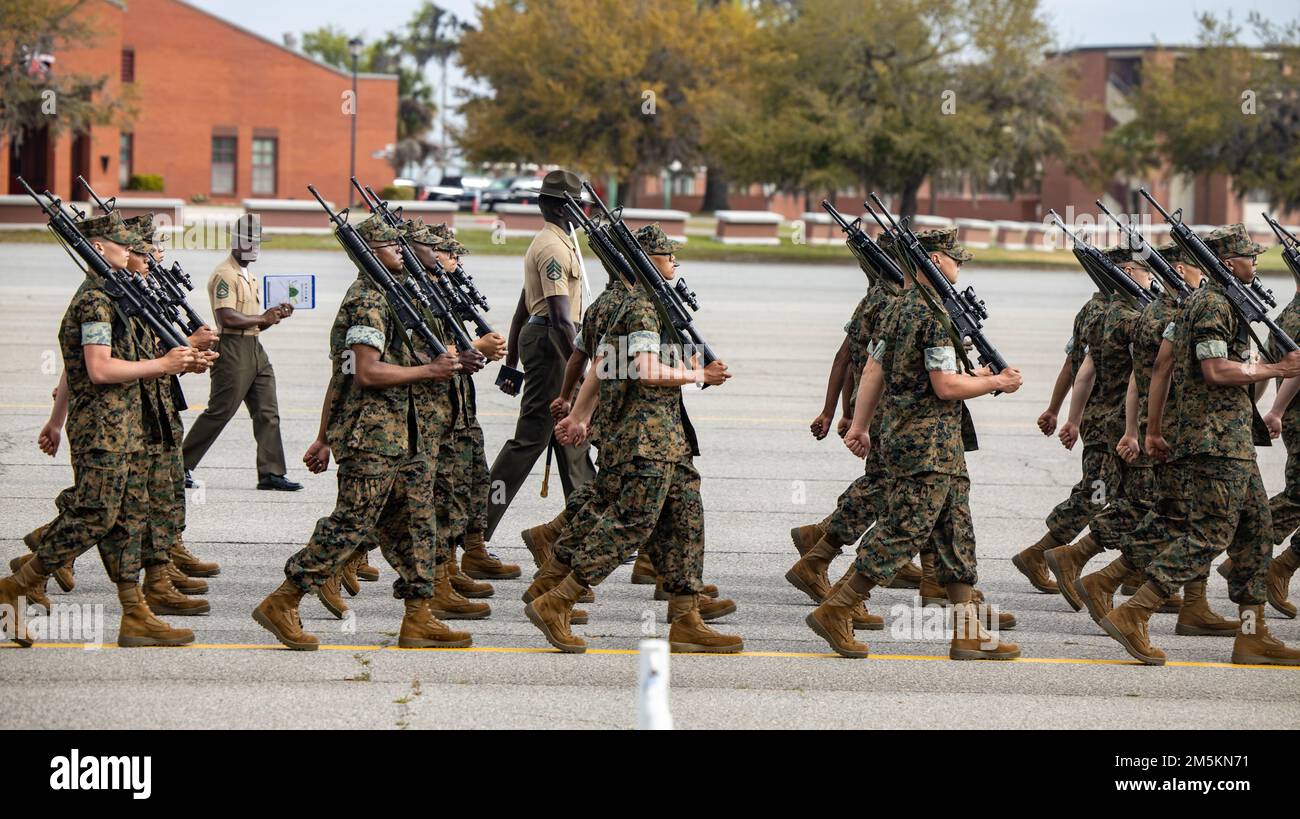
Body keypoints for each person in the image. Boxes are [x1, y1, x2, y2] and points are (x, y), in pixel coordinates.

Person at [804, 228, 1023, 660]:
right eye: (955, 259)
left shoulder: (900, 307)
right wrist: (995, 381)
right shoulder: (932, 315)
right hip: (930, 444)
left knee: (955, 533)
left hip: (919, 440)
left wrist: (861, 425)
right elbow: (943, 386)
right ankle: (838, 608)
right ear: (937, 262)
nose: (960, 265)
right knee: (903, 532)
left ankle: (968, 632)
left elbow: (872, 371)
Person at [523, 224, 742, 654]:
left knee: (685, 518)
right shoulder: (641, 307)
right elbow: (640, 367)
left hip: (665, 440)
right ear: (646, 260)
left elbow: (602, 362)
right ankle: (558, 599)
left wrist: (580, 414)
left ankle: (686, 616)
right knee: (630, 523)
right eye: (666, 255)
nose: (674, 262)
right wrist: (699, 375)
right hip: (646, 438)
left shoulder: (641, 303)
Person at [251, 214, 465, 651]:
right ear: (368, 252)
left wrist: (454, 360)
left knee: (417, 524)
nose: (401, 250)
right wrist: (430, 370)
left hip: (408, 434)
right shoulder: (366, 299)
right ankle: (284, 598)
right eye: (390, 246)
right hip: (372, 436)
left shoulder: (395, 294)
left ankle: (419, 616)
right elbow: (363, 372)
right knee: (352, 522)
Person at [0, 212, 206, 647]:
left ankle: (135, 615)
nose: (133, 251)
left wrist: (182, 357)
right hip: (102, 429)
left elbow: (131, 361)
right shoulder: (94, 301)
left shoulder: (116, 295)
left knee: (127, 520)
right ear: (97, 247)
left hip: (129, 427)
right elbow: (96, 368)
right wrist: (165, 364)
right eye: (123, 245)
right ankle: (16, 586)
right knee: (95, 513)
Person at [1100, 224, 1300, 666]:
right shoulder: (1211, 305)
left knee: (1255, 531)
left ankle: (1253, 635)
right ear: (1230, 263)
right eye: (1250, 256)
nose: (1257, 261)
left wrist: (1152, 428)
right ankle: (1137, 609)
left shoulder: (1205, 302)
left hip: (1230, 439)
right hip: (1215, 441)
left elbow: (1163, 366)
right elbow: (1216, 370)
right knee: (1209, 531)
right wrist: (1276, 369)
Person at [484, 170, 596, 540]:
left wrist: (511, 362)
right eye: (575, 204)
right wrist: (580, 370)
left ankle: (588, 528)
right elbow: (562, 320)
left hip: (547, 337)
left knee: (570, 438)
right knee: (532, 437)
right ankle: (474, 528)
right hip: (554, 343)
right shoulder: (552, 247)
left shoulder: (560, 242)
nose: (580, 210)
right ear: (558, 207)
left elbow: (521, 308)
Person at [182, 214, 301, 491]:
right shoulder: (226, 274)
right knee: (220, 411)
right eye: (249, 241)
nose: (254, 246)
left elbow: (253, 320)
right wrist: (262, 318)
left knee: (267, 411)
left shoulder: (252, 277)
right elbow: (227, 318)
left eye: (257, 242)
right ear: (236, 242)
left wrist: (271, 318)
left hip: (254, 347)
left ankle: (271, 473)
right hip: (232, 347)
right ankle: (179, 465)